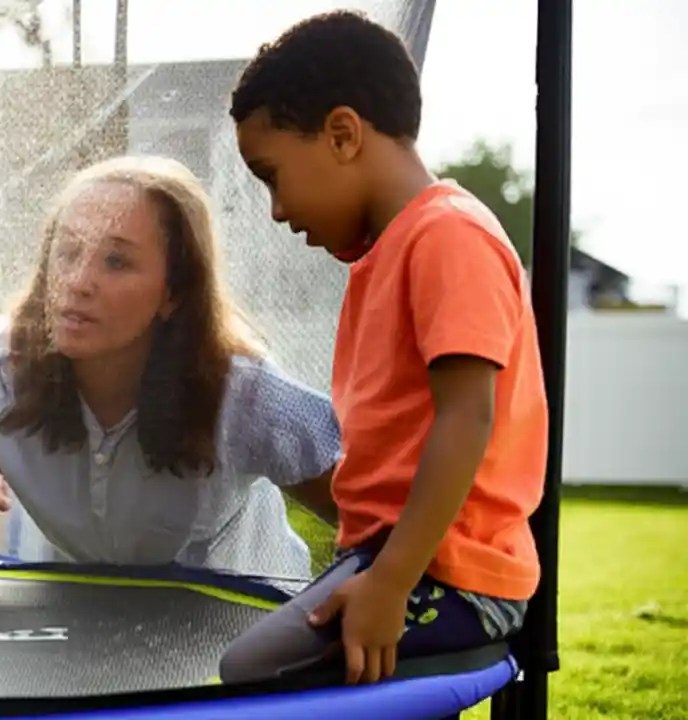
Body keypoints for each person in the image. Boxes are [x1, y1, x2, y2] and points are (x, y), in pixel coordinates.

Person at [217, 10, 548, 686]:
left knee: (252, 667)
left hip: (451, 573)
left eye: (272, 175)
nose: (277, 210)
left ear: (342, 134)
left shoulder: (447, 237)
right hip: (395, 561)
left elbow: (468, 418)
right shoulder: (391, 253)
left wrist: (390, 585)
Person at [0, 154, 343, 583]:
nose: (77, 281)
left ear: (175, 291)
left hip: (245, 623)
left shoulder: (246, 393)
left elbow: (380, 514)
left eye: (116, 262)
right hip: (79, 628)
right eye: (67, 252)